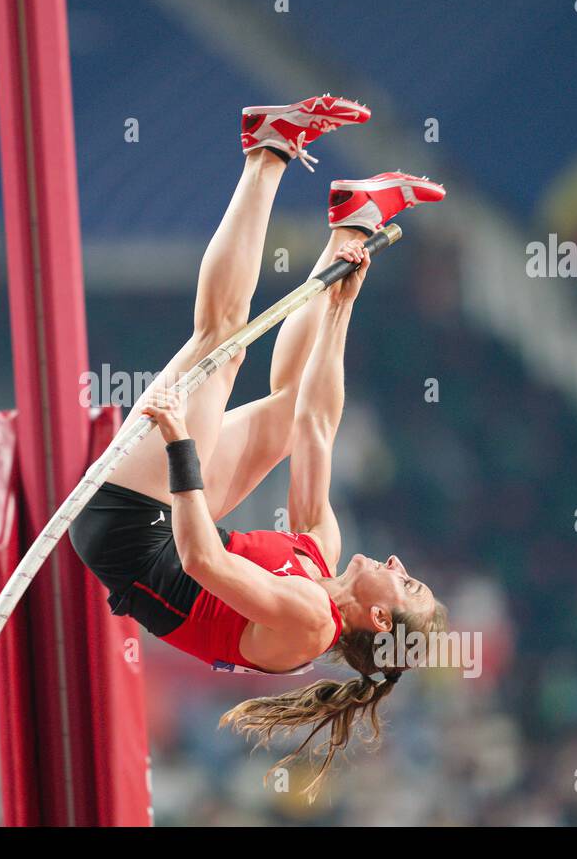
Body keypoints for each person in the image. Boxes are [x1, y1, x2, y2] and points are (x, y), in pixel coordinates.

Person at [69, 95, 449, 795]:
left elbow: (201, 558)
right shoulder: (319, 552)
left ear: (376, 617)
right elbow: (314, 423)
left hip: (131, 533)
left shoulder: (308, 623)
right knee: (281, 414)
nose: (399, 563)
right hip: (174, 516)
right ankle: (354, 219)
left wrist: (182, 443)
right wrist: (341, 300)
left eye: (407, 582)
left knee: (222, 343)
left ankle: (267, 149)